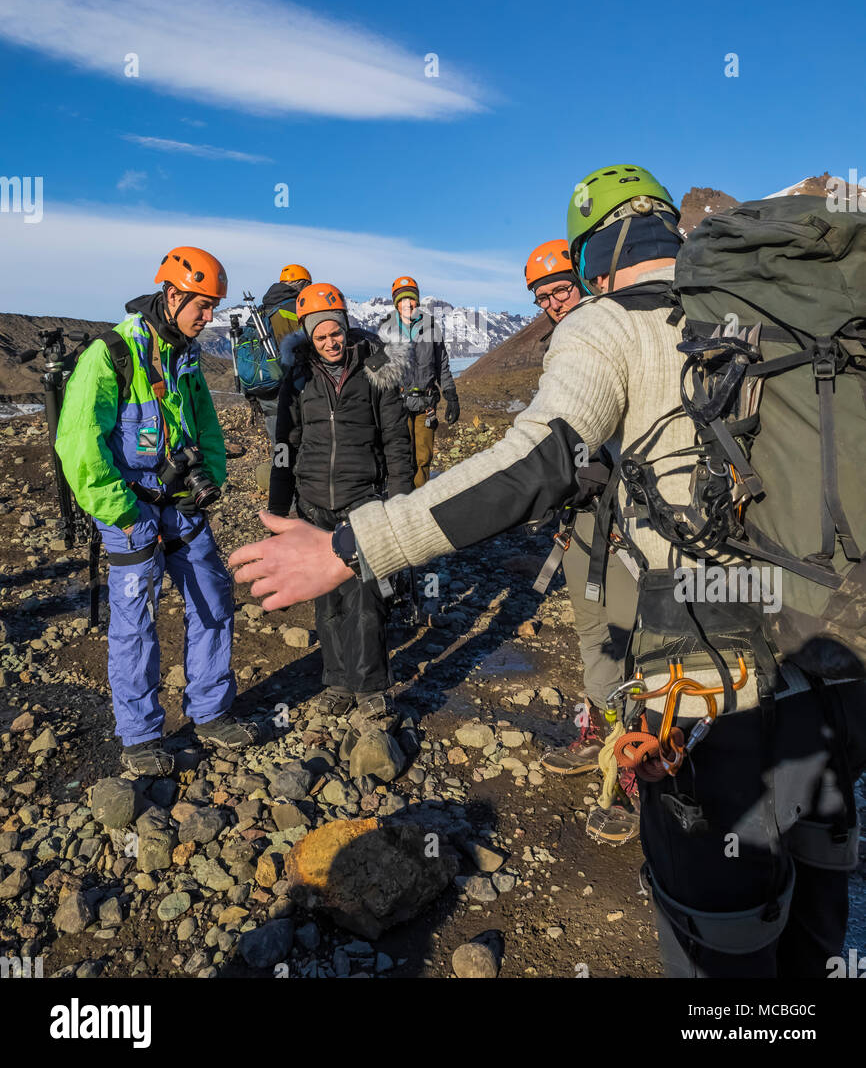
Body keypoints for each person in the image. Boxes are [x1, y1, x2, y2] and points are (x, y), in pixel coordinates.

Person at [230, 164, 866, 981]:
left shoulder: (610, 324)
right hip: (831, 648)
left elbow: (535, 461)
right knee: (819, 898)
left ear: (594, 256)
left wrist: (352, 546)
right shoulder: (772, 311)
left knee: (722, 934)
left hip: (711, 665)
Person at [56, 246, 260, 777]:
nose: (209, 316)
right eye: (204, 305)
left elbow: (206, 428)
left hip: (184, 506)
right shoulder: (112, 354)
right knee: (135, 623)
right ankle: (141, 735)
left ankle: (211, 712)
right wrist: (122, 512)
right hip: (131, 513)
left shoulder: (185, 355)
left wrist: (209, 478)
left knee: (214, 600)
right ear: (172, 295)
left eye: (213, 306)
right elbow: (78, 446)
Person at [524, 240, 640, 844]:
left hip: (629, 519)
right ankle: (599, 730)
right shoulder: (559, 350)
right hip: (581, 518)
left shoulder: (623, 334)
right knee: (593, 626)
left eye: (560, 290)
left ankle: (636, 763)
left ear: (585, 283)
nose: (552, 303)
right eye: (543, 297)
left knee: (635, 635)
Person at [267, 281, 414, 727]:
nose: (330, 342)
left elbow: (396, 441)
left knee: (366, 596)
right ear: (309, 336)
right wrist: (279, 503)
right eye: (320, 335)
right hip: (312, 502)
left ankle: (370, 687)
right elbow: (285, 442)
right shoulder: (297, 376)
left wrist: (401, 501)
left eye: (335, 332)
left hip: (363, 500)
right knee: (326, 597)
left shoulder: (376, 371)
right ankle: (335, 681)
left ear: (346, 327)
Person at [378, 275, 459, 488]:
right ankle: (400, 501)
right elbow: (379, 370)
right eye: (403, 300)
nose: (408, 304)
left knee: (423, 458)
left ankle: (419, 502)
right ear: (396, 303)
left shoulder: (431, 327)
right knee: (401, 458)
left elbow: (442, 364)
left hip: (426, 405)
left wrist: (451, 394)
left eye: (411, 299)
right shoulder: (386, 329)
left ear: (417, 301)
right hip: (398, 407)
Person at [253, 263, 312, 447]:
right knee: (300, 445)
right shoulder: (297, 309)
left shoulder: (261, 310)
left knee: (280, 448)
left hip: (265, 388)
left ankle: (279, 472)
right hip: (293, 388)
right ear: (302, 284)